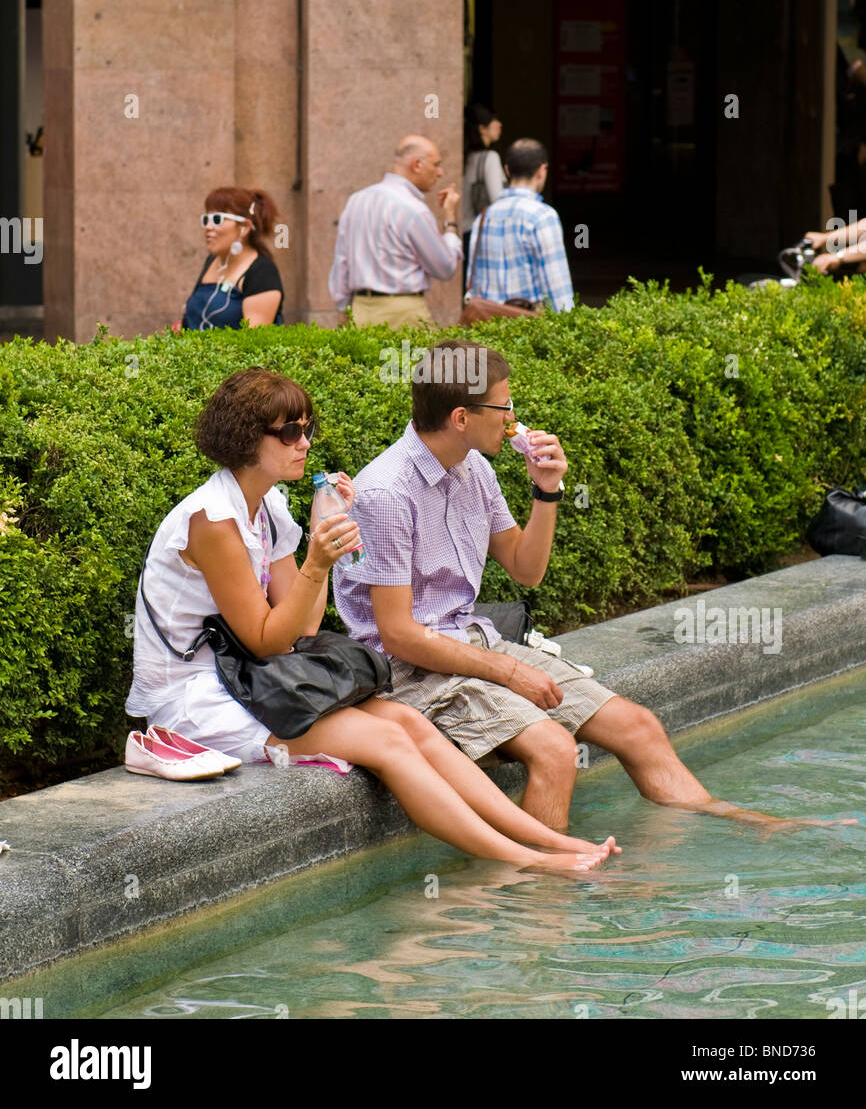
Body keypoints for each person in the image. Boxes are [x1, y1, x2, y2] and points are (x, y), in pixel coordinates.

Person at [334, 340, 849, 834]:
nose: (514, 417)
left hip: (470, 643)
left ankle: (743, 823)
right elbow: (398, 634)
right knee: (556, 751)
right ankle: (542, 894)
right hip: (407, 672)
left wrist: (546, 489)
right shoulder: (385, 493)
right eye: (504, 405)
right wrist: (511, 671)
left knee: (637, 726)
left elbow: (524, 568)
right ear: (462, 418)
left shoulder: (475, 472)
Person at [125, 366, 618, 875]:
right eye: (290, 432)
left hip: (252, 679)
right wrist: (318, 561)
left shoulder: (267, 505)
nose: (304, 443)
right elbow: (268, 641)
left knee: (407, 720)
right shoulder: (213, 521)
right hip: (197, 698)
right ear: (246, 439)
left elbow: (305, 630)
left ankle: (546, 841)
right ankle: (524, 859)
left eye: (308, 429)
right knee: (387, 741)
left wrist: (323, 540)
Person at [328, 136, 462, 330]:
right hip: (404, 313)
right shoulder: (414, 209)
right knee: (416, 361)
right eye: (437, 165)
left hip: (359, 310)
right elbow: (445, 267)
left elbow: (341, 262)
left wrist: (342, 309)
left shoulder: (356, 200)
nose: (440, 173)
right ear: (417, 165)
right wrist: (450, 220)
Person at [466, 139, 574, 313]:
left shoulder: (483, 217)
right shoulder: (542, 216)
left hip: (485, 328)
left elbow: (472, 283)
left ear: (507, 170)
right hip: (526, 330)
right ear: (541, 171)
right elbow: (557, 288)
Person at [178, 187, 284, 330]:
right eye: (206, 219)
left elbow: (254, 342)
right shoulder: (212, 261)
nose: (208, 227)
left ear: (244, 227)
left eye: (217, 219)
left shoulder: (262, 272)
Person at [462, 105, 507, 265]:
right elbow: (498, 200)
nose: (499, 124)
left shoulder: (463, 157)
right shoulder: (490, 158)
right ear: (482, 128)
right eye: (494, 120)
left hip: (462, 232)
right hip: (479, 234)